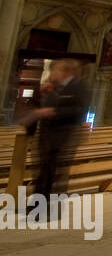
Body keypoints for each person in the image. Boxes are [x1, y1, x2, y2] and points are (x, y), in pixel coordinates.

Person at [20, 59, 90, 209]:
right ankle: (38, 205)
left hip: (63, 138)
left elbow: (80, 110)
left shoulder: (79, 87)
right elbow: (38, 106)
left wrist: (54, 112)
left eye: (55, 70)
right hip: (47, 137)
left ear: (67, 72)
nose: (52, 73)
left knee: (54, 175)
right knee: (44, 172)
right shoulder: (54, 88)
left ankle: (46, 207)